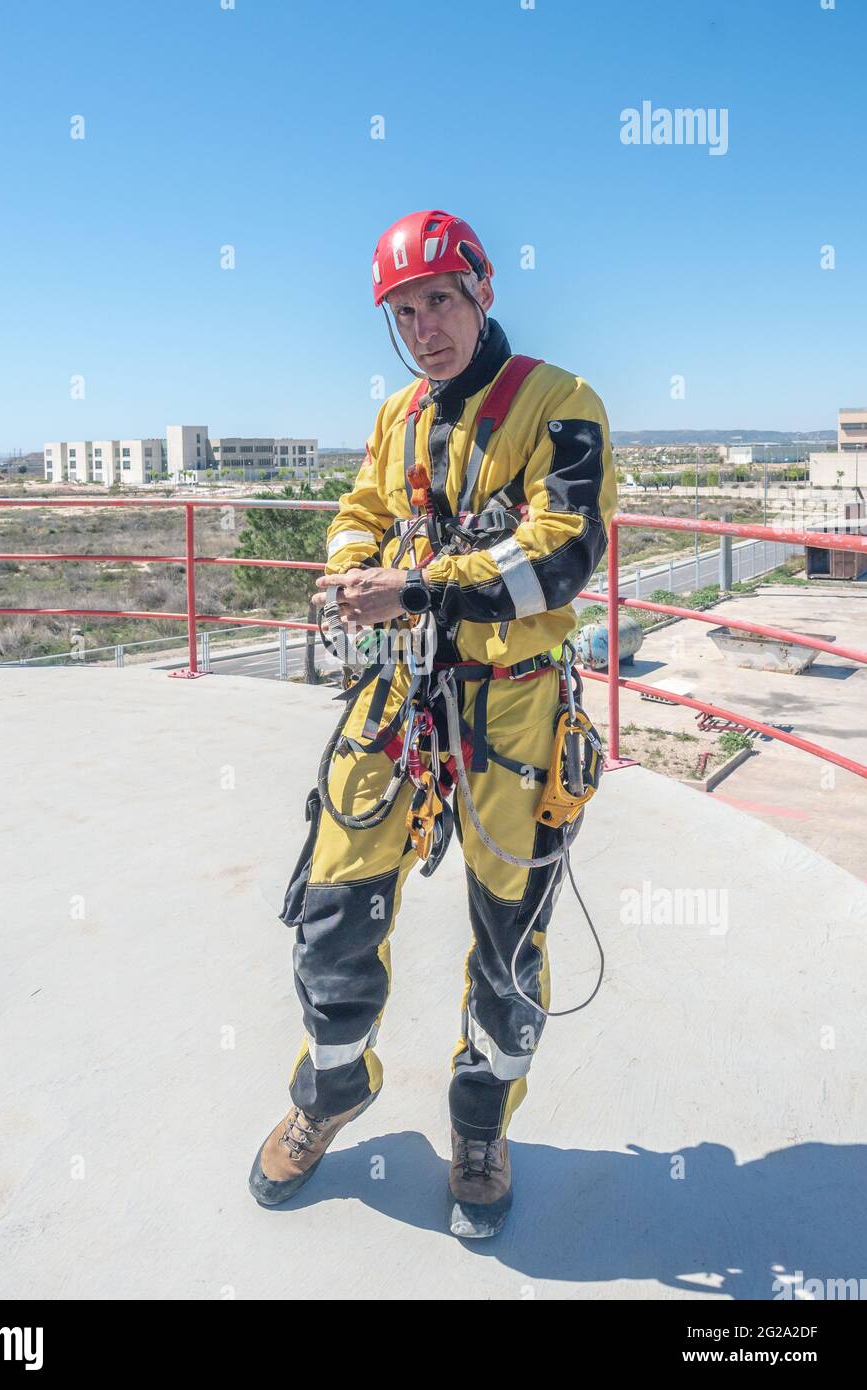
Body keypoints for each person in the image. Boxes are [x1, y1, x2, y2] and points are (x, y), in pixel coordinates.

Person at [249, 209, 618, 1237]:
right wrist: (347, 562)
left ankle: (479, 1123)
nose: (424, 327)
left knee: (510, 941)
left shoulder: (560, 402)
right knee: (332, 903)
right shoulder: (397, 417)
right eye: (403, 312)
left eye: (439, 301)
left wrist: (413, 586)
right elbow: (362, 508)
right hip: (404, 694)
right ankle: (330, 1091)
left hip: (515, 701)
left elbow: (561, 555)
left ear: (483, 290)